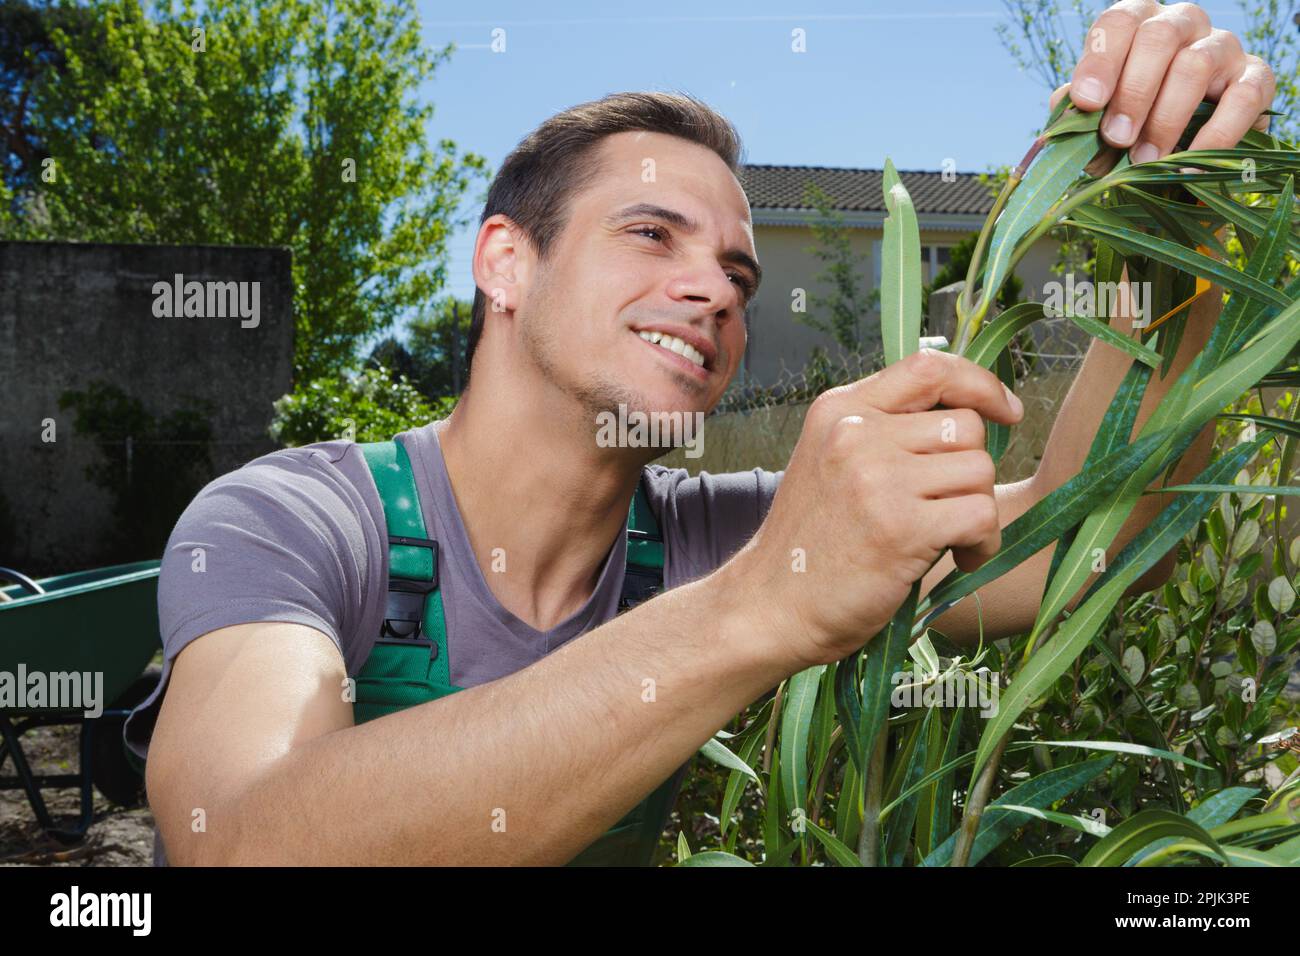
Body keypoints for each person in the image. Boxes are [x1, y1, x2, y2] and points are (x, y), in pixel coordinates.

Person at [129, 0, 1278, 865]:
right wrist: (761, 603)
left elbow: (1092, 537)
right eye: (651, 234)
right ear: (504, 262)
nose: (717, 289)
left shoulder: (714, 530)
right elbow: (235, 836)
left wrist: (1163, 241)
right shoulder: (295, 518)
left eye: (736, 268)